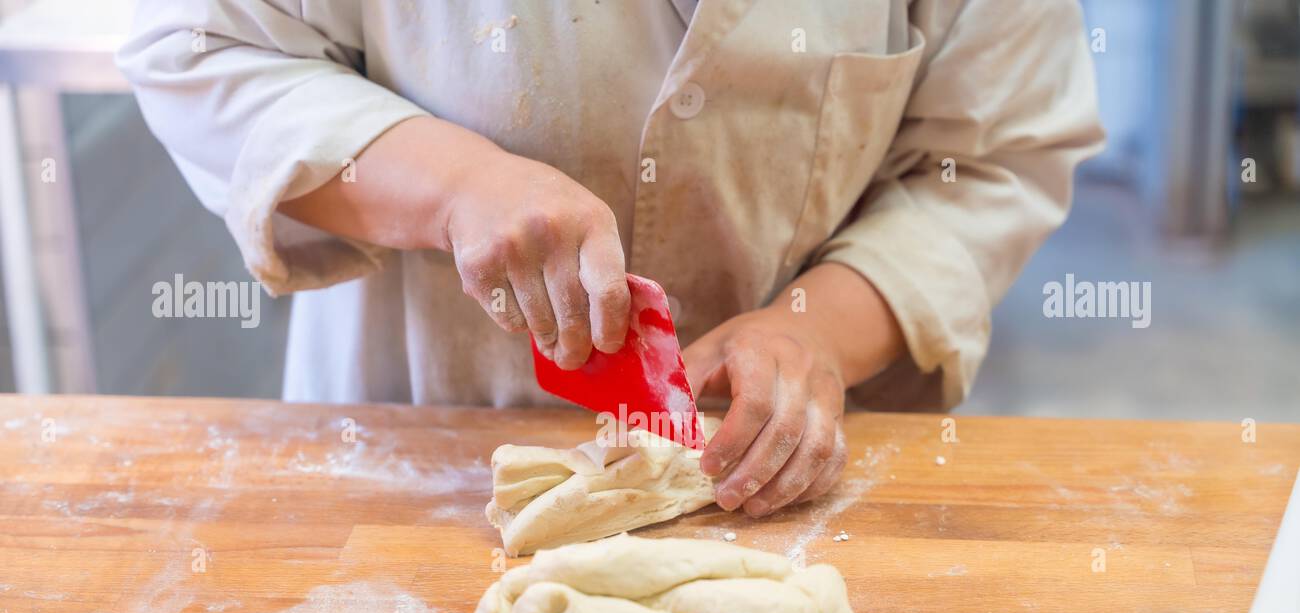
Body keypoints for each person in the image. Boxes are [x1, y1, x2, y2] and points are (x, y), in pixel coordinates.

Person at [118, 0, 1103, 516]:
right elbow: (195, 44)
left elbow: (993, 153)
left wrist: (821, 326)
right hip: (422, 468)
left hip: (792, 492)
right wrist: (452, 182)